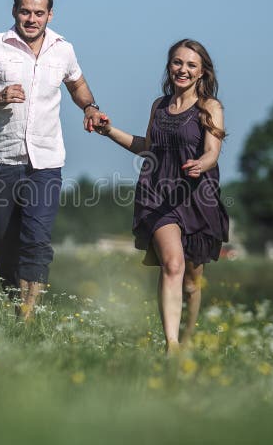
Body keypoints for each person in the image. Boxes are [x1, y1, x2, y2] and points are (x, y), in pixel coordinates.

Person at [0, 0, 106, 320]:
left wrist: (90, 107)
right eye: (25, 12)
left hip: (46, 162)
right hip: (0, 160)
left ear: (50, 15)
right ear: (14, 11)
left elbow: (76, 83)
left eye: (38, 13)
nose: (31, 19)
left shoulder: (63, 49)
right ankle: (13, 305)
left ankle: (27, 316)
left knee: (36, 239)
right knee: (5, 249)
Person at [94, 39, 229, 353]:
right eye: (177, 62)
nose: (183, 69)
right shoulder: (159, 105)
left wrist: (202, 164)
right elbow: (147, 147)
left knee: (193, 283)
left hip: (197, 197)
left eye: (191, 65)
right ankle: (171, 346)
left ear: (202, 72)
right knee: (172, 264)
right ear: (170, 66)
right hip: (158, 193)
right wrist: (110, 131)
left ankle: (188, 339)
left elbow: (213, 152)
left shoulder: (210, 107)